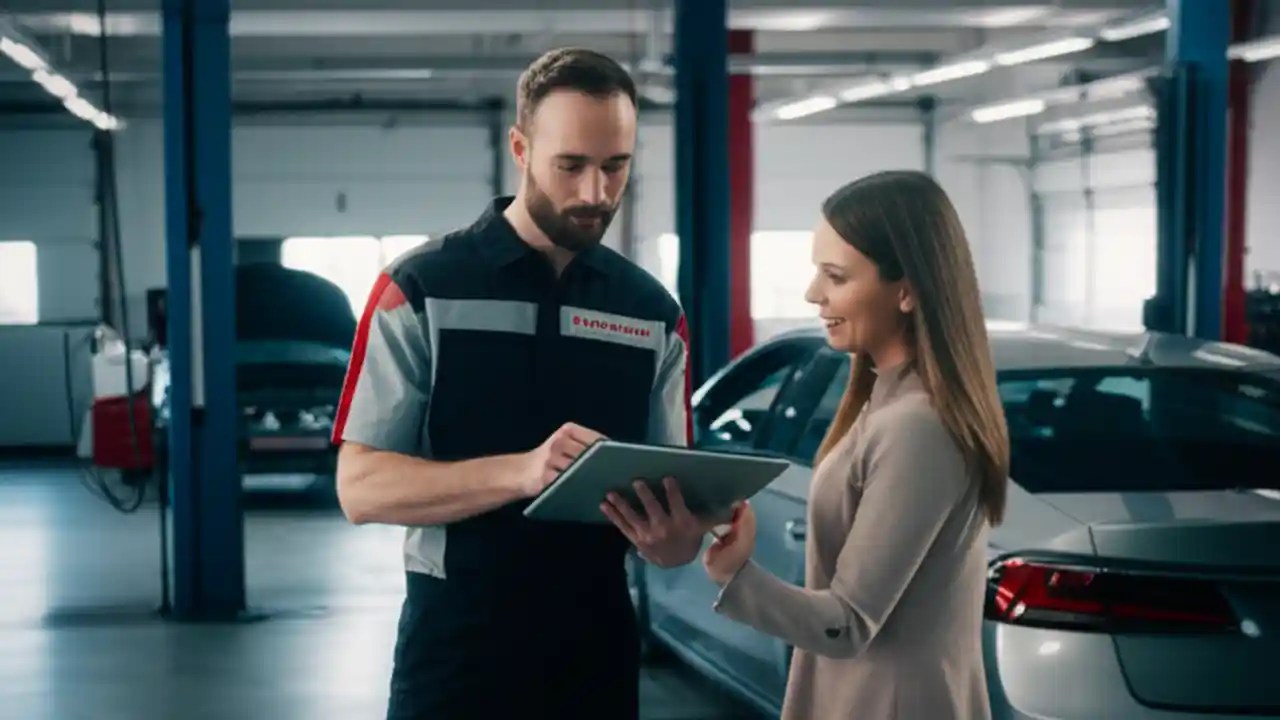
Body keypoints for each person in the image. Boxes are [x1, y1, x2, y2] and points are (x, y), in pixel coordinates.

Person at [330, 48, 707, 720]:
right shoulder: (419, 289)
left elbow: (678, 531)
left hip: (597, 654)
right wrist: (523, 472)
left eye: (615, 166)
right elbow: (360, 489)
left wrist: (677, 539)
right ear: (521, 147)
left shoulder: (653, 314)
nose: (596, 193)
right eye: (571, 166)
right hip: (457, 656)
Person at [702, 170, 1011, 720]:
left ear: (908, 290)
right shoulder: (887, 404)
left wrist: (736, 575)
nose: (812, 293)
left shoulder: (918, 427)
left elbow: (847, 623)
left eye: (835, 276)